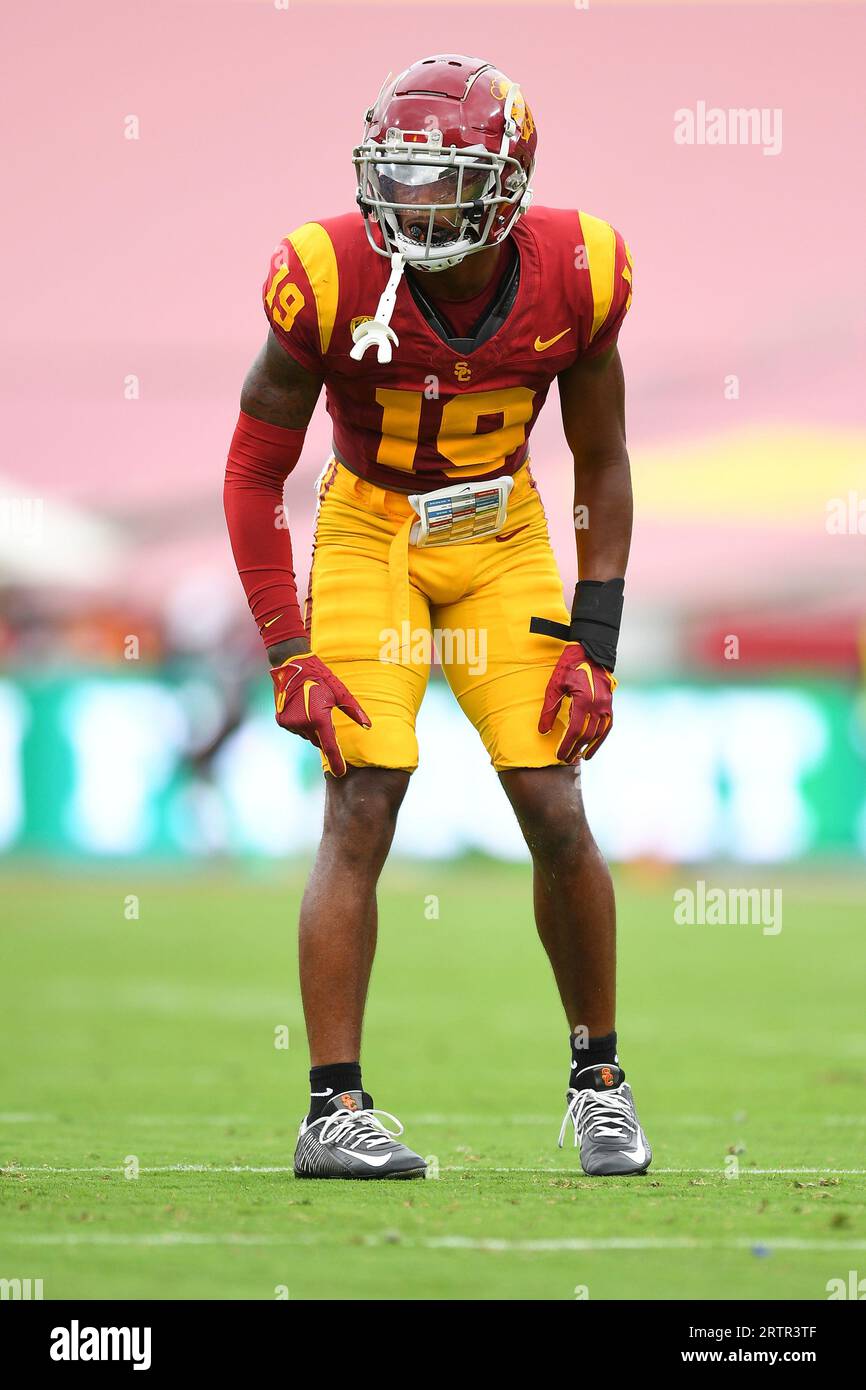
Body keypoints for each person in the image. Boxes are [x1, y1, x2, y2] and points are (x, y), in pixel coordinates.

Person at [224, 54, 651, 1179]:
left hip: (499, 535)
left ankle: (599, 1080)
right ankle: (333, 1110)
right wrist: (285, 649)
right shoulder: (325, 272)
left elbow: (599, 464)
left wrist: (593, 647)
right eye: (397, 174)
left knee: (552, 797)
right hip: (370, 529)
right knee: (361, 794)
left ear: (505, 184)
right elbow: (251, 470)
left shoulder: (580, 271)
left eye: (439, 176)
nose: (412, 201)